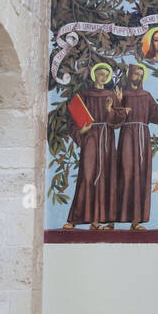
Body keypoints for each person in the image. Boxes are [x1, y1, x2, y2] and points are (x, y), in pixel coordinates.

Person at [62, 64, 127, 230]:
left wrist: (109, 110)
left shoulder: (111, 95)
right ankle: (78, 218)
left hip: (106, 137)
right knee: (88, 175)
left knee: (107, 175)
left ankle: (105, 220)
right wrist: (81, 130)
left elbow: (119, 120)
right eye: (100, 73)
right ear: (94, 75)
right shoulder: (84, 96)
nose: (103, 76)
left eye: (106, 74)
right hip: (90, 137)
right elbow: (72, 119)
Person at [110, 64, 158, 229]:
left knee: (140, 176)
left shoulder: (146, 96)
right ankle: (113, 219)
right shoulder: (122, 94)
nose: (137, 76)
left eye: (140, 74)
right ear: (129, 75)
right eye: (135, 74)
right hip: (127, 136)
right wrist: (118, 102)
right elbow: (114, 119)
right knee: (124, 173)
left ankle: (135, 221)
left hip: (142, 137)